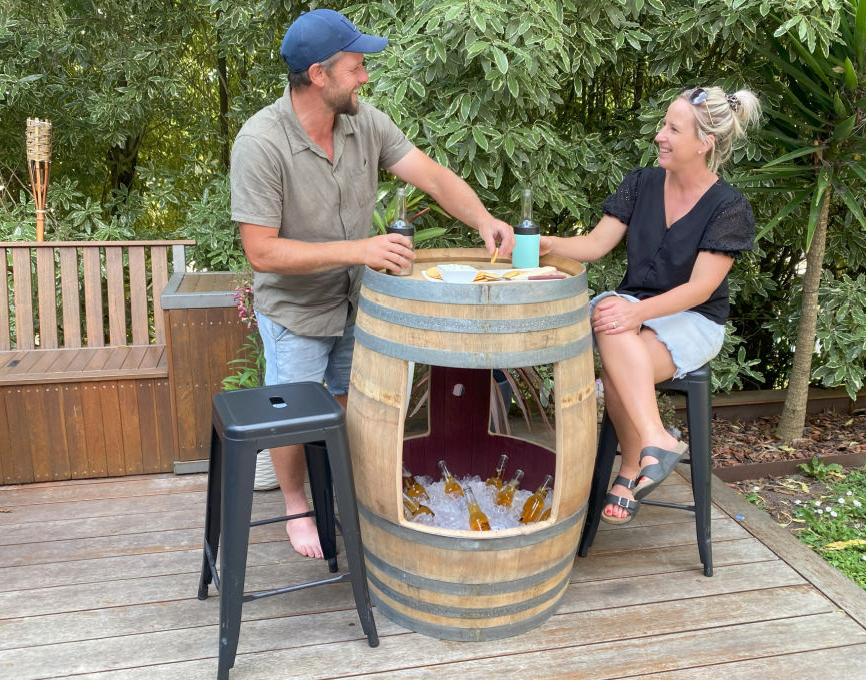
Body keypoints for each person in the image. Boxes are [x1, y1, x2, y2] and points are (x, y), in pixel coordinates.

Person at [229, 9, 514, 558]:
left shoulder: (367, 122)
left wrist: (482, 218)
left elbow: (429, 174)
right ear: (319, 75)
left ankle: (339, 490)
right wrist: (361, 250)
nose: (365, 77)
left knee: (343, 402)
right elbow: (261, 252)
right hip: (294, 310)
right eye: (356, 67)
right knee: (292, 413)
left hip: (354, 305)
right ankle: (297, 505)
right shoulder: (260, 143)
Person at [540, 86, 761, 524]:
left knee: (616, 336)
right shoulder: (640, 182)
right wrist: (544, 243)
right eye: (664, 125)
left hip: (693, 319)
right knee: (614, 324)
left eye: (672, 129)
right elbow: (595, 244)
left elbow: (700, 289)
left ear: (704, 143)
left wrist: (636, 314)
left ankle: (630, 464)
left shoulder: (730, 207)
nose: (660, 135)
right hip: (632, 312)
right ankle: (654, 440)